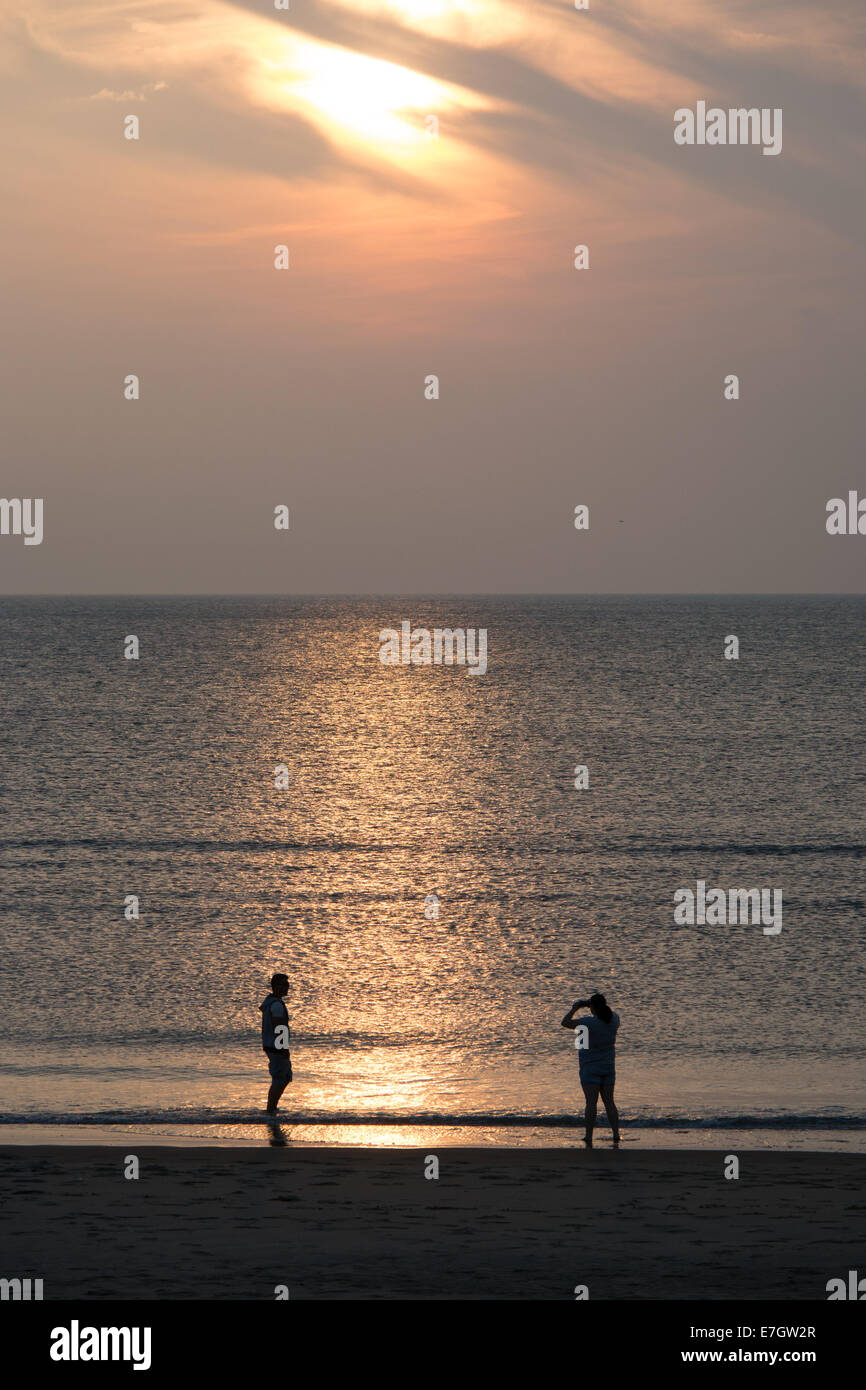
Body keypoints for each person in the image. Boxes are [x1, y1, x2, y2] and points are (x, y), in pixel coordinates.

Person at [561, 992, 620, 1146]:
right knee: (610, 1103)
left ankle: (589, 1136)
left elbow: (565, 1022)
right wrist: (592, 1004)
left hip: (589, 1068)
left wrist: (576, 1007)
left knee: (591, 1103)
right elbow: (609, 1013)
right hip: (608, 1067)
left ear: (592, 1007)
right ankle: (616, 1134)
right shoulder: (614, 1020)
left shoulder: (587, 1023)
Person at [260, 973, 293, 1116]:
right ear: (276, 986)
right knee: (280, 1077)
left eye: (287, 984)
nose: (287, 987)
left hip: (271, 1046)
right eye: (284, 984)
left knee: (285, 1076)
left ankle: (272, 1108)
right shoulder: (277, 1005)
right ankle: (270, 1109)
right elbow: (280, 1028)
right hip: (276, 1047)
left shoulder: (272, 1003)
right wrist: (284, 1048)